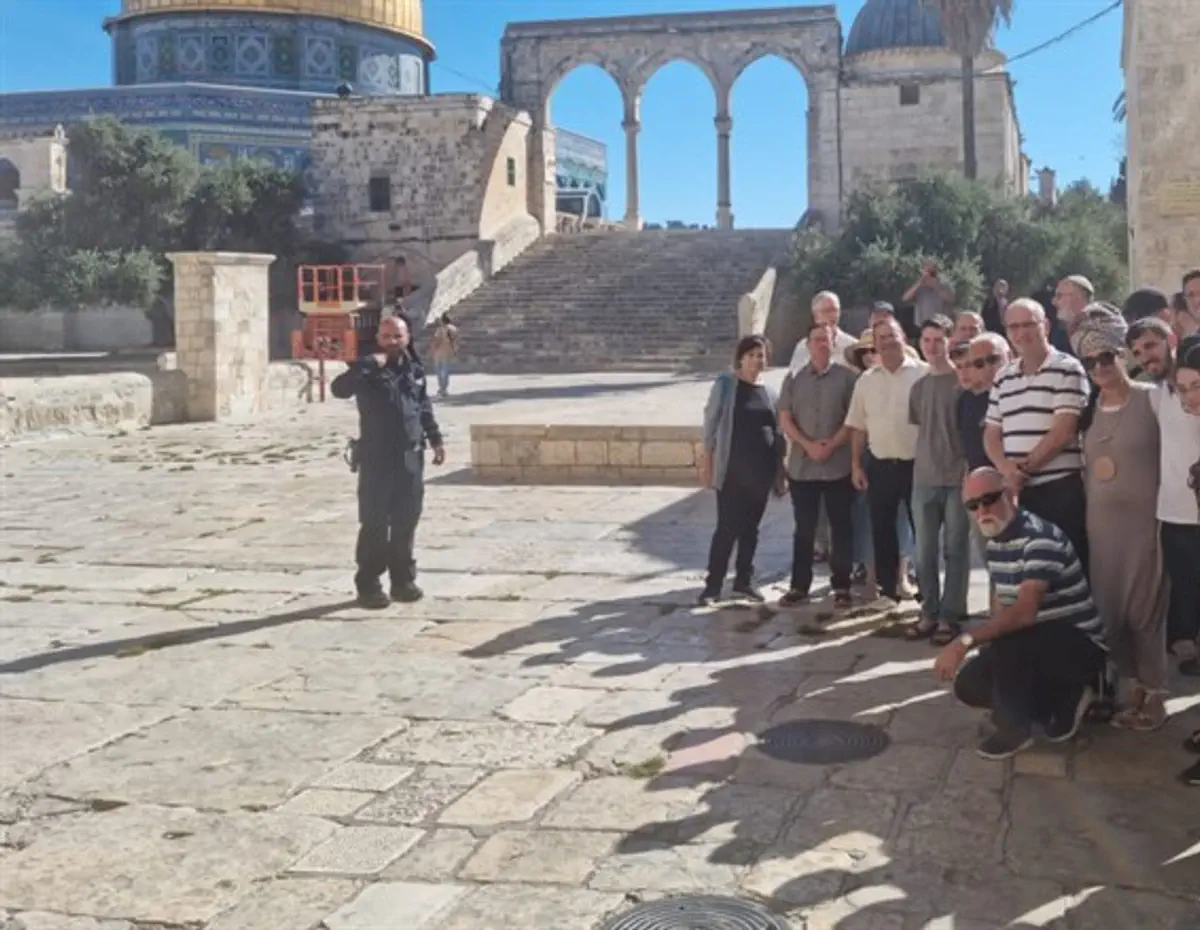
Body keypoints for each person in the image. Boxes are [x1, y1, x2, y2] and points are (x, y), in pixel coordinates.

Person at [935, 468, 1106, 760]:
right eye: (973, 505)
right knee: (970, 684)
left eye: (988, 499)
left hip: (1077, 644)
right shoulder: (996, 543)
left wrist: (964, 642)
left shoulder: (1038, 538)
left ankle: (1016, 729)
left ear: (1008, 494)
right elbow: (1002, 607)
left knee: (1009, 640)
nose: (982, 510)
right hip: (1037, 647)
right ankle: (1063, 700)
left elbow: (1024, 612)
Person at [1075, 312, 1168, 730]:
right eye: (1091, 361)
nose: (1100, 367)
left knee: (1144, 611)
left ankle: (1155, 696)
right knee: (1109, 613)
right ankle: (1131, 687)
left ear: (1123, 356)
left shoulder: (1153, 398)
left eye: (1107, 356)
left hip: (1146, 527)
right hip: (1102, 530)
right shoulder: (1087, 411)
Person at [332, 315, 446, 609]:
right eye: (387, 336)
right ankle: (369, 583)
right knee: (374, 522)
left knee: (406, 520)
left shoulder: (413, 369)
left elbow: (422, 406)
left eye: (398, 336)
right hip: (377, 458)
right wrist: (370, 363)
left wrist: (435, 439)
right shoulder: (366, 368)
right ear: (378, 338)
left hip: (410, 456)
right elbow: (339, 389)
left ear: (407, 337)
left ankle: (403, 580)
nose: (392, 341)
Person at [985, 298, 1091, 574]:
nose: (1021, 333)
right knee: (1026, 570)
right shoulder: (1003, 377)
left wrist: (1023, 471)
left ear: (1045, 325)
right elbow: (991, 434)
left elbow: (1064, 431)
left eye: (1028, 325)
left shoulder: (1068, 368)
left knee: (1067, 566)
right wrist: (1007, 470)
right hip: (1018, 492)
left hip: (1060, 490)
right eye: (1013, 327)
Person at [1129, 321, 1200, 671]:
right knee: (1185, 589)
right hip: (1173, 512)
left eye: (1151, 346)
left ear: (1171, 341)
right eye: (1138, 352)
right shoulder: (1155, 396)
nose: (1146, 357)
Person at [845, 317, 930, 604]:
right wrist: (856, 464)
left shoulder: (924, 375)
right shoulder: (866, 381)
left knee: (924, 530)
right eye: (881, 338)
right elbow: (858, 426)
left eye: (892, 335)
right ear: (875, 344)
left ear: (903, 336)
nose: (888, 341)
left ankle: (930, 592)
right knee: (882, 530)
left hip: (917, 466)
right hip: (880, 466)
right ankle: (888, 591)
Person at [778, 322, 858, 609]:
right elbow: (785, 418)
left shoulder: (847, 379)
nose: (822, 344)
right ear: (808, 344)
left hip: (837, 466)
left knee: (841, 528)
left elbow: (853, 419)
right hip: (803, 467)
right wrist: (807, 444)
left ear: (833, 344)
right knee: (805, 530)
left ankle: (842, 586)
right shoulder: (794, 379)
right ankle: (799, 586)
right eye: (816, 340)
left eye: (826, 340)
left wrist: (833, 445)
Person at [699, 335, 784, 605]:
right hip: (732, 472)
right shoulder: (726, 385)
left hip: (761, 473)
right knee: (727, 527)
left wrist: (779, 471)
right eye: (752, 355)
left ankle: (743, 581)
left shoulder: (770, 393)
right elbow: (710, 426)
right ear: (741, 358)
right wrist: (707, 464)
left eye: (761, 356)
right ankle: (713, 585)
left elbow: (777, 432)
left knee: (751, 529)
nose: (757, 361)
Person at [907, 316, 970, 644]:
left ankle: (951, 614)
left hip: (958, 477)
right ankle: (928, 610)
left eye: (938, 340)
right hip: (925, 478)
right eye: (927, 340)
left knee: (955, 548)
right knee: (924, 549)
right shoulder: (917, 388)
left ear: (949, 342)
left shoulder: (962, 384)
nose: (932, 347)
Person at [788, 291, 858, 373]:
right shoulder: (803, 346)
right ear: (815, 316)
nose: (832, 316)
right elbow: (794, 377)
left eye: (835, 310)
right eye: (827, 311)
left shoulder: (852, 346)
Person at [902, 264, 954, 330]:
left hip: (941, 325)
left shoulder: (943, 286)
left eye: (931, 273)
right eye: (926, 272)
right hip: (922, 325)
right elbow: (905, 298)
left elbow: (950, 299)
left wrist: (935, 286)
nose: (928, 275)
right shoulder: (919, 288)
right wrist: (918, 283)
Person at [1053, 275, 1094, 351]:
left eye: (1059, 296)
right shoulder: (1059, 334)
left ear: (1079, 297)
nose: (1054, 302)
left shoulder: (1099, 330)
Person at [428, 313, 460, 398]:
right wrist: (455, 350)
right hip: (449, 351)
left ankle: (441, 388)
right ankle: (444, 388)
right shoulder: (454, 329)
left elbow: (437, 341)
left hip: (439, 352)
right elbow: (455, 341)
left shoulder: (440, 329)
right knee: (446, 370)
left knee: (439, 371)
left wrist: (432, 350)